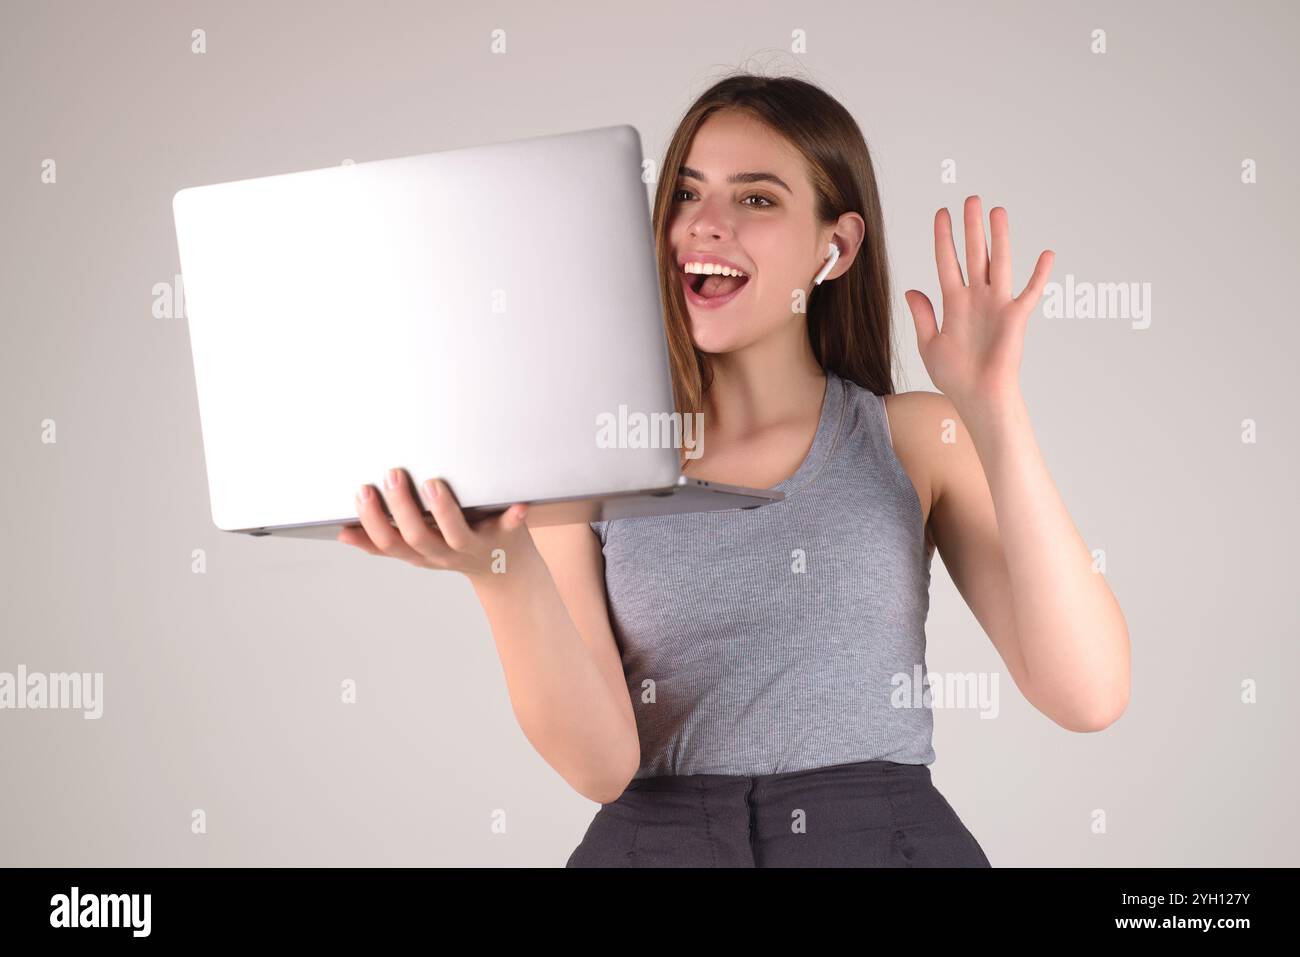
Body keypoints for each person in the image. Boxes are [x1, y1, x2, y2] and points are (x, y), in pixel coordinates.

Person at [337, 72, 1131, 867]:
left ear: (836, 246)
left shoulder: (916, 437)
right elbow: (600, 764)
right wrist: (501, 571)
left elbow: (1087, 694)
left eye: (755, 199)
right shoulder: (590, 465)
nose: (705, 225)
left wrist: (995, 407)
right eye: (686, 193)